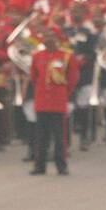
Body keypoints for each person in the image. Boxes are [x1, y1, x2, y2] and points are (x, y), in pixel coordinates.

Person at [28, 26, 81, 175]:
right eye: (46, 36)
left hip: (58, 102)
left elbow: (72, 79)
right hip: (42, 102)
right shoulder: (37, 56)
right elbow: (34, 77)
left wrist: (63, 93)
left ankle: (61, 165)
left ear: (58, 39)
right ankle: (40, 166)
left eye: (52, 36)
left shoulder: (66, 56)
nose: (49, 39)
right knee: (40, 137)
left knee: (59, 137)